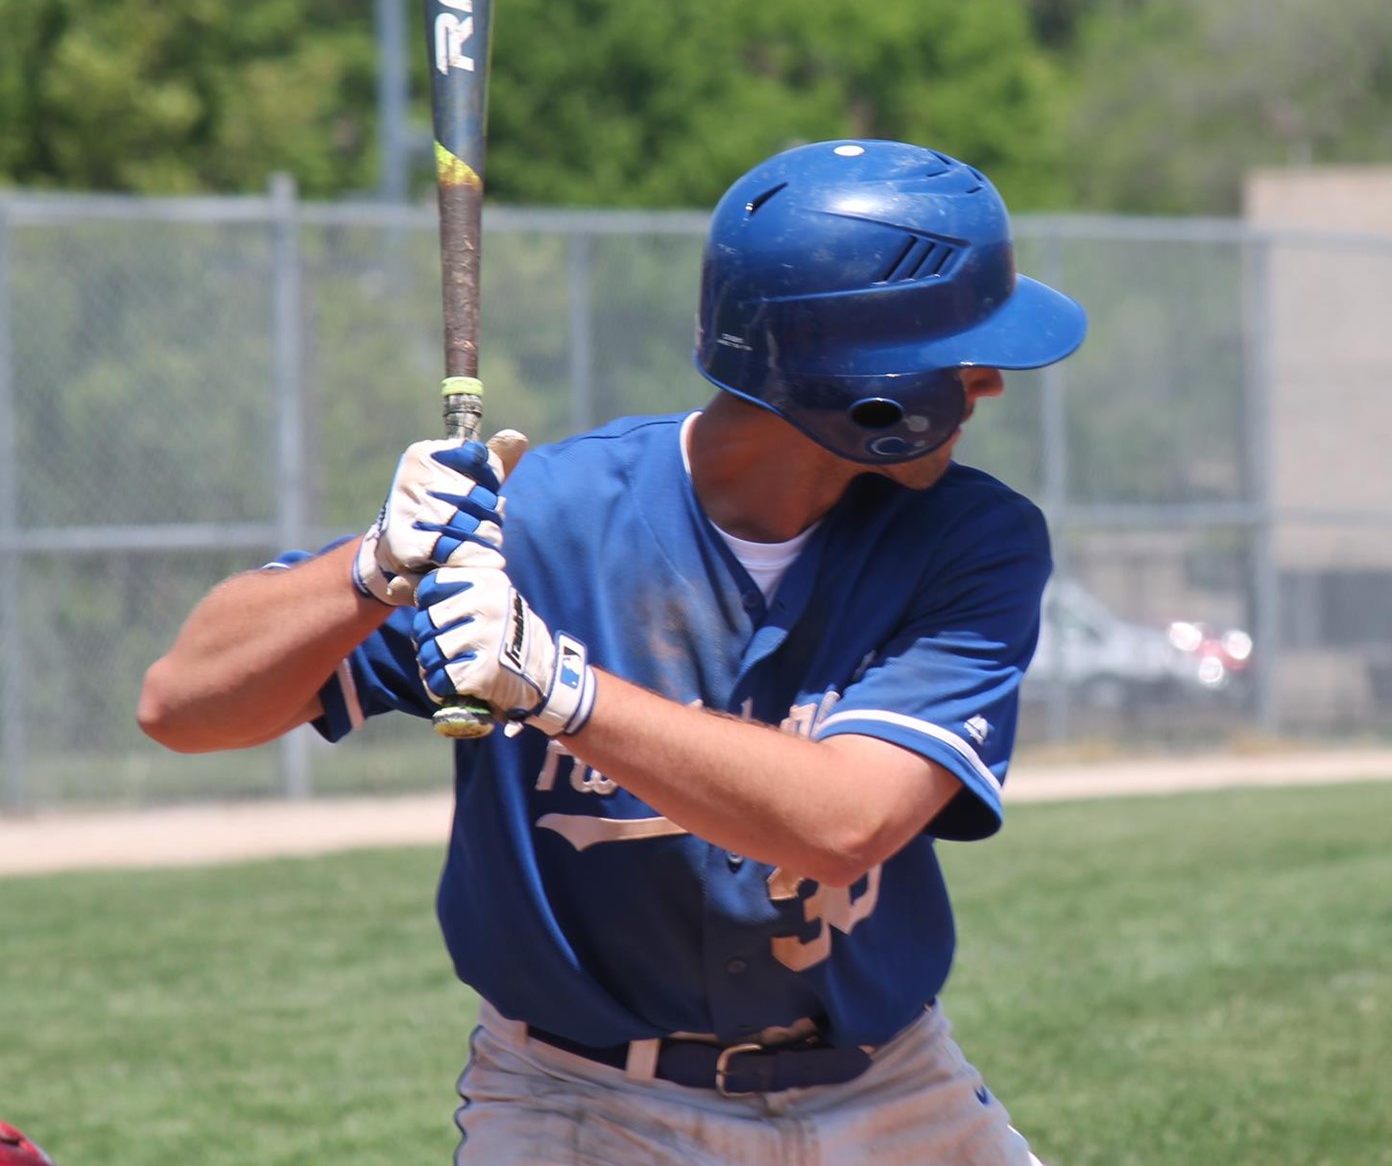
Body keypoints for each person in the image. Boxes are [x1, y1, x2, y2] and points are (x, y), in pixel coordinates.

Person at [138, 139, 1087, 1165]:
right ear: (859, 380)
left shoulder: (971, 540)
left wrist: (560, 690)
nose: (987, 382)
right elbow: (182, 706)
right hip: (580, 1100)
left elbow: (844, 821)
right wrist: (372, 566)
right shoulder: (542, 520)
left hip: (891, 1087)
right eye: (959, 351)